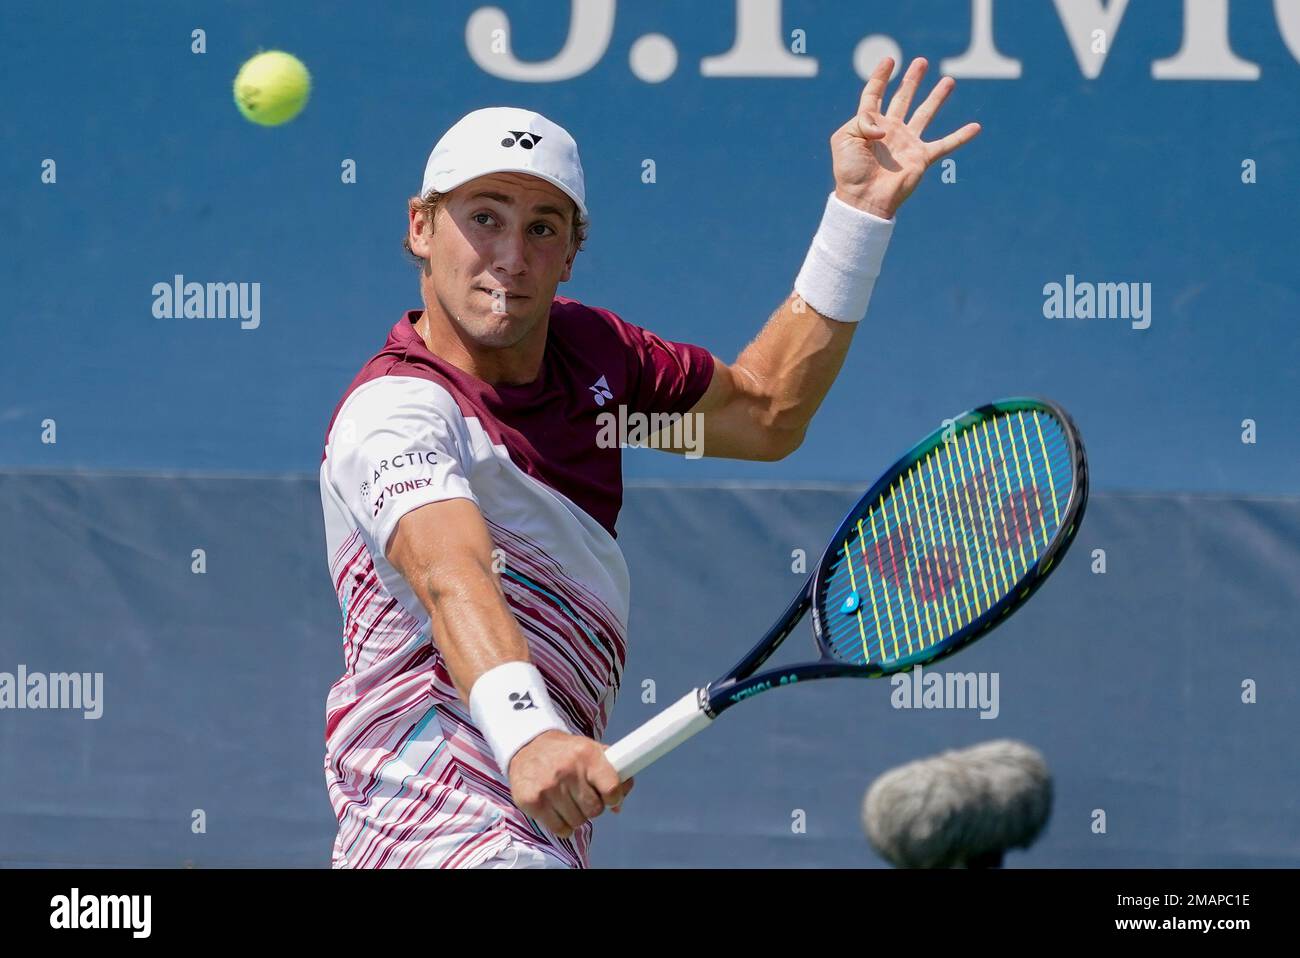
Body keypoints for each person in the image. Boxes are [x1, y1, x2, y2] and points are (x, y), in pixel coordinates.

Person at [317, 56, 979, 868]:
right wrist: (528, 738)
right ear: (421, 227)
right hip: (442, 831)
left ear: (571, 253)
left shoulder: (603, 391)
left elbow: (766, 415)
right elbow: (451, 573)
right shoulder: (396, 410)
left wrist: (858, 213)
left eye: (542, 228)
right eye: (482, 217)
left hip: (526, 835)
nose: (510, 257)